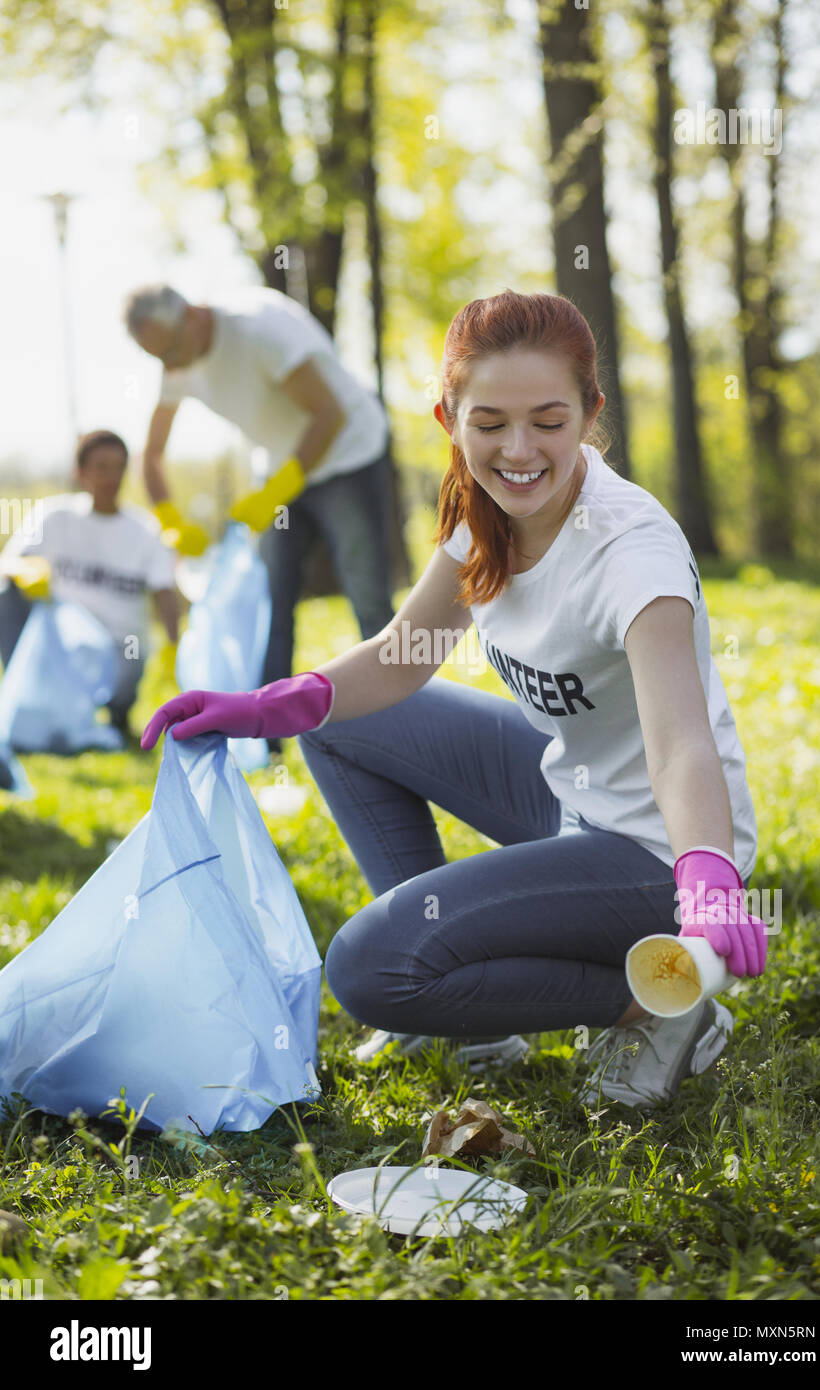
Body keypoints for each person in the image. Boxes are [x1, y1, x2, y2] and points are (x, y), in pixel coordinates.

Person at [139, 290, 767, 1108]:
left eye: (548, 420)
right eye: (490, 423)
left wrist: (709, 877)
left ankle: (655, 1003)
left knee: (369, 968)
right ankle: (473, 1017)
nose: (519, 450)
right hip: (566, 798)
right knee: (340, 725)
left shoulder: (631, 552)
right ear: (449, 419)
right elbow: (399, 662)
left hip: (656, 854)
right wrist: (263, 706)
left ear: (590, 411)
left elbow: (681, 744)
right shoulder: (485, 514)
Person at [125, 282, 395, 748]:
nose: (168, 367)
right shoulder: (175, 357)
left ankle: (404, 719)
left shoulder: (259, 327)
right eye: (157, 358)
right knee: (269, 603)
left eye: (169, 351)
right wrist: (169, 517)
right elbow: (151, 455)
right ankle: (267, 739)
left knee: (368, 594)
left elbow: (328, 414)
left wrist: (281, 488)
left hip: (349, 454)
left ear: (191, 314)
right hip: (279, 466)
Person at [0, 429, 179, 737]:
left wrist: (173, 647)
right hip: (62, 647)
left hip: (118, 650)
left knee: (130, 660)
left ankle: (116, 714)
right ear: (80, 472)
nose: (111, 477)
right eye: (101, 468)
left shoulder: (144, 530)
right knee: (6, 595)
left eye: (118, 468)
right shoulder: (53, 517)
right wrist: (25, 570)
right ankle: (29, 701)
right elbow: (7, 564)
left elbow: (165, 591)